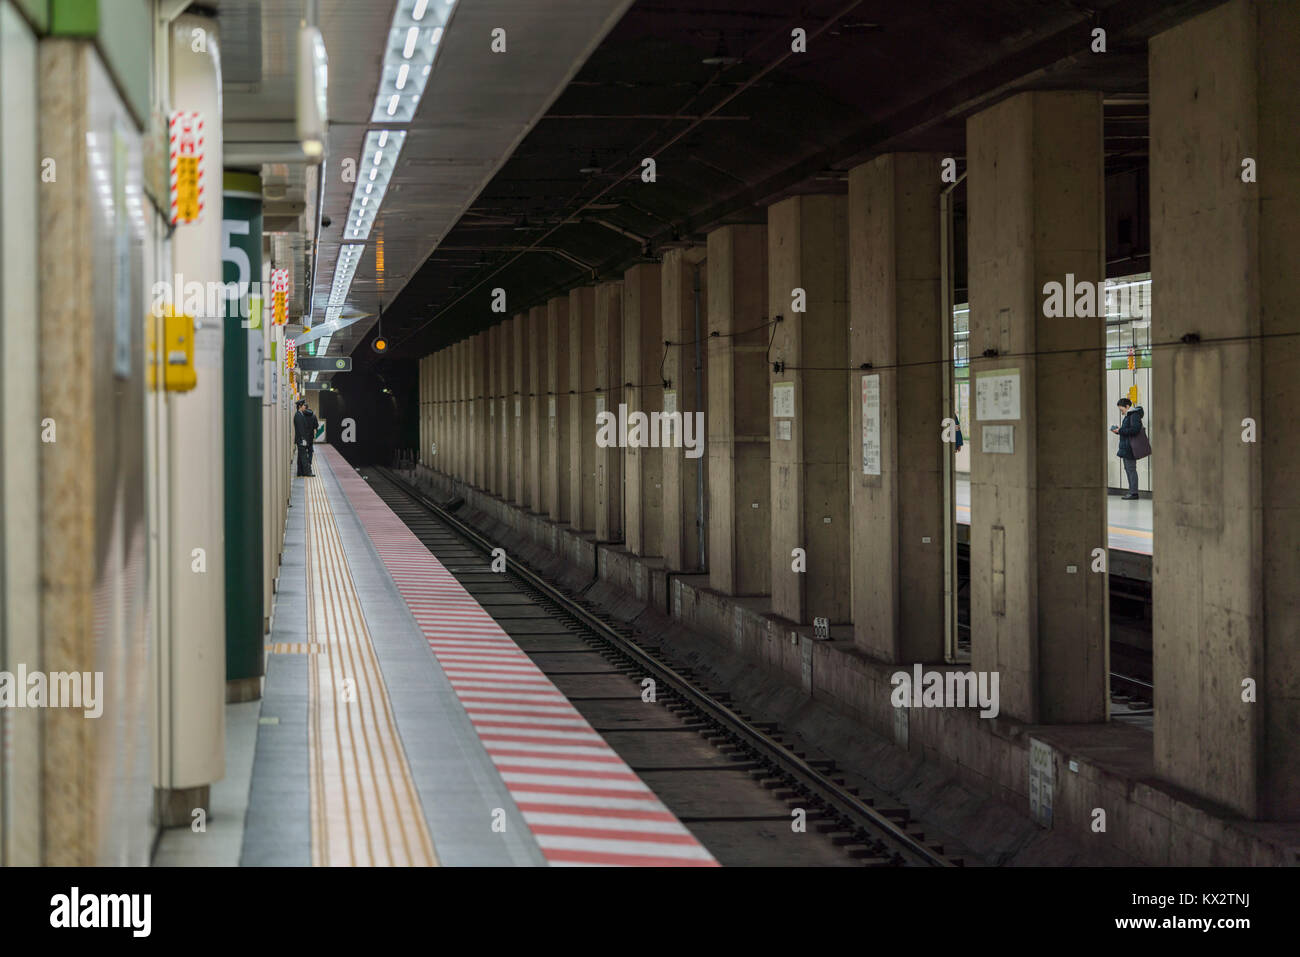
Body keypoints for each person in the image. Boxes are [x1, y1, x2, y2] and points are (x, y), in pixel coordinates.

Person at [1110, 397, 1144, 500]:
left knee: (1131, 470)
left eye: (1122, 409)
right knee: (1128, 469)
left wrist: (1120, 431)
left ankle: (1134, 493)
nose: (1121, 412)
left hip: (1130, 448)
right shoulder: (1130, 415)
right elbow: (1129, 430)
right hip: (1127, 447)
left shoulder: (1134, 415)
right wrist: (1119, 430)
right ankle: (1131, 491)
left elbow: (1135, 429)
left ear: (1127, 406)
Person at [294, 399, 316, 477]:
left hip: (300, 439)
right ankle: (308, 472)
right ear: (300, 406)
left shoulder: (300, 414)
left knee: (300, 457)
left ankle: (300, 472)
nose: (304, 407)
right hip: (301, 440)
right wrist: (304, 440)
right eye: (303, 405)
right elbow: (301, 429)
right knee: (304, 457)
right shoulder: (298, 415)